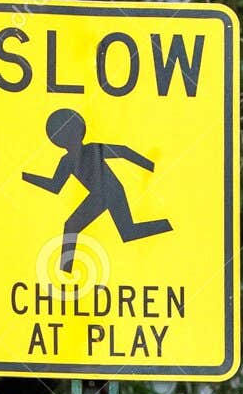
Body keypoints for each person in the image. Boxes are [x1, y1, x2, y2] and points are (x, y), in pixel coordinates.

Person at [21, 108, 173, 272]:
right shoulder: (67, 161)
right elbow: (55, 186)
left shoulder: (92, 148)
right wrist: (27, 176)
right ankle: (66, 271)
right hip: (99, 195)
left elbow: (122, 151)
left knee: (128, 232)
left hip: (113, 192)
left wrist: (151, 166)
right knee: (72, 225)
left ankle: (168, 224)